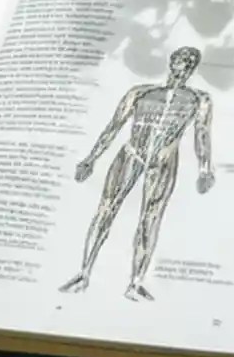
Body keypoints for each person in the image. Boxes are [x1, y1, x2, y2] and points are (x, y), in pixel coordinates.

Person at [59, 46, 214, 301]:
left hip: (163, 160)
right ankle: (84, 272)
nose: (183, 65)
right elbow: (114, 126)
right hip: (132, 153)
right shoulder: (140, 92)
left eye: (189, 62)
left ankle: (135, 282)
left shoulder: (200, 99)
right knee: (106, 208)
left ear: (193, 68)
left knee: (150, 218)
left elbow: (202, 134)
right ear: (171, 61)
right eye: (180, 59)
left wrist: (205, 168)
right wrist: (91, 158)